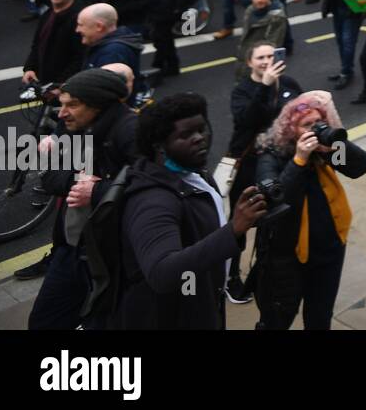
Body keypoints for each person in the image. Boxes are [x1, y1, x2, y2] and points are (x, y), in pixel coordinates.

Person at [113, 93, 268, 329]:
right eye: (185, 135)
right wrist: (233, 229)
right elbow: (162, 272)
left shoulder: (194, 174)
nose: (200, 139)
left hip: (201, 305)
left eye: (201, 129)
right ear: (159, 145)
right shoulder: (153, 202)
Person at [28, 68, 138, 330]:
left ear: (100, 104)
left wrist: (98, 192)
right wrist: (77, 182)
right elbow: (50, 176)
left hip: (114, 257)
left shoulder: (132, 132)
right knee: (45, 321)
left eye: (72, 105)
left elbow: (150, 187)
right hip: (71, 250)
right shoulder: (73, 127)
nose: (62, 113)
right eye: (62, 104)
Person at [253, 92, 366, 329]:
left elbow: (361, 166)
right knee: (278, 318)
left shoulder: (326, 152)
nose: (315, 129)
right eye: (307, 125)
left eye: (320, 122)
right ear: (291, 130)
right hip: (288, 257)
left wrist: (336, 143)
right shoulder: (272, 156)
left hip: (330, 251)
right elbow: (273, 201)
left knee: (320, 317)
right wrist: (299, 159)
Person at [226, 43, 302, 303]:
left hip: (281, 163)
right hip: (249, 165)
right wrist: (264, 87)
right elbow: (248, 120)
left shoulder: (289, 83)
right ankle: (231, 277)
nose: (267, 60)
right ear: (250, 62)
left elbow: (300, 115)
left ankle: (264, 271)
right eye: (261, 57)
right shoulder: (242, 91)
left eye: (271, 55)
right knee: (241, 220)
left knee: (275, 217)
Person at [22, 0, 86, 90]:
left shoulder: (81, 18)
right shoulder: (48, 13)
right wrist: (30, 68)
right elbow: (37, 45)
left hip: (66, 88)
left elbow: (80, 57)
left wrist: (59, 84)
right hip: (47, 84)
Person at [236, 0, 290, 79]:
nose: (259, 0)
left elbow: (273, 45)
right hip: (247, 58)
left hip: (261, 64)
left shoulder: (277, 17)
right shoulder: (250, 10)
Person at [77, 3, 142, 76]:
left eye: (81, 25)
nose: (77, 30)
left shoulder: (112, 53)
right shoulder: (108, 48)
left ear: (99, 27)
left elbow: (103, 85)